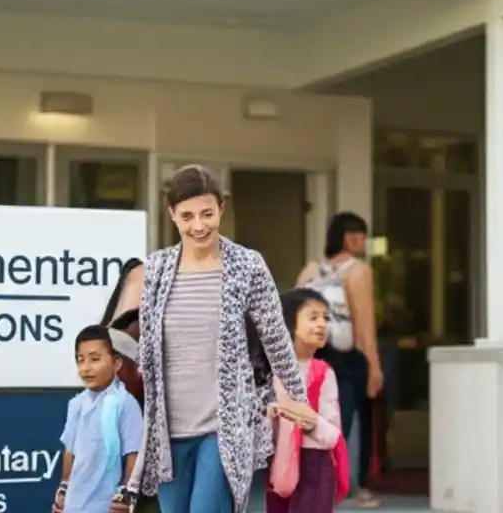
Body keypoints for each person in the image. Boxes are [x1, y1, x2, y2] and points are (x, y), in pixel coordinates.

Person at [128, 164, 313, 513]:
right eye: (187, 216)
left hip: (223, 428)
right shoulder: (155, 269)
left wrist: (298, 396)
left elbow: (275, 336)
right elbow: (146, 348)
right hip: (168, 432)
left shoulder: (247, 264)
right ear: (172, 216)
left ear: (221, 210)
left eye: (207, 214)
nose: (198, 226)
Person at [295, 212, 383, 508]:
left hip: (313, 358)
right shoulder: (358, 271)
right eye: (355, 233)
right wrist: (373, 366)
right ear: (344, 237)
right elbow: (364, 325)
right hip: (347, 359)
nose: (361, 240)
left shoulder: (310, 271)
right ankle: (352, 486)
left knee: (313, 421)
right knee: (348, 422)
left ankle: (313, 482)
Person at [265, 289, 349, 513]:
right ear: (289, 323)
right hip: (280, 465)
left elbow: (332, 434)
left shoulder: (323, 374)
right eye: (313, 317)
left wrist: (310, 420)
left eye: (325, 318)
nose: (322, 324)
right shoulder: (270, 372)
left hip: (315, 466)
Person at [53, 326, 144, 513]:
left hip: (107, 505)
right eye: (80, 360)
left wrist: (127, 495)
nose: (86, 368)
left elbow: (133, 455)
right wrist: (63, 490)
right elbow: (70, 452)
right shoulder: (76, 404)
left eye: (95, 359)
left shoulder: (126, 404)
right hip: (74, 505)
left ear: (117, 363)